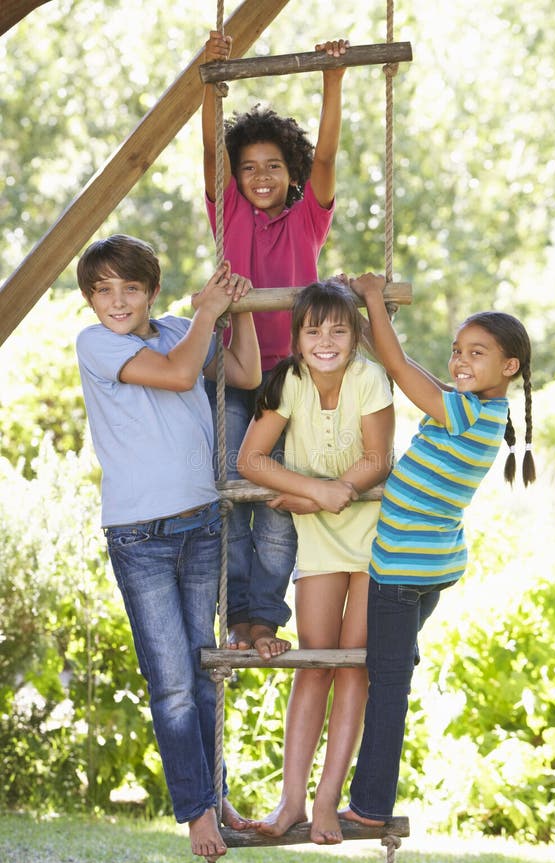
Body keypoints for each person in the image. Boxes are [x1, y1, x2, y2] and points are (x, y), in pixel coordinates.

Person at [75, 234, 261, 860]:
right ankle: (196, 813)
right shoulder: (97, 343)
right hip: (141, 535)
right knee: (173, 681)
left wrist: (238, 312)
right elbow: (180, 374)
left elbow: (245, 374)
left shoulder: (180, 326)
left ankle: (216, 795)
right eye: (104, 290)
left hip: (203, 522)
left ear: (152, 291)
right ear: (90, 299)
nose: (118, 300)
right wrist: (207, 313)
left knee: (205, 676)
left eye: (131, 287)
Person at [336, 273, 536, 828]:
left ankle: (371, 807)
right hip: (430, 566)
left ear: (509, 368)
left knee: (388, 684)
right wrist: (361, 320)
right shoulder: (469, 406)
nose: (460, 361)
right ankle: (401, 655)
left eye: (477, 353)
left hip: (401, 571)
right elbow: (413, 369)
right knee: (393, 667)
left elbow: (400, 372)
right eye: (457, 351)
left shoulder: (472, 413)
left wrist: (374, 298)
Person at [202, 31, 349, 660]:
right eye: (248, 167)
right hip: (238, 376)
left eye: (274, 166)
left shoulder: (309, 217)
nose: (260, 176)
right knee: (235, 494)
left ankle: (264, 617)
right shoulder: (228, 213)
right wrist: (211, 81)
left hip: (292, 381)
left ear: (290, 175)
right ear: (234, 178)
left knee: (281, 505)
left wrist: (332, 81)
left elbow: (326, 161)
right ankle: (238, 618)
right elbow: (209, 148)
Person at [237, 279, 395, 843]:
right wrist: (315, 493)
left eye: (339, 329)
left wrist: (329, 493)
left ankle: (328, 802)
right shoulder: (291, 383)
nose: (326, 339)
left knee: (354, 666)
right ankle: (291, 803)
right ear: (298, 339)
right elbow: (251, 459)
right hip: (322, 539)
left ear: (355, 337)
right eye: (313, 329)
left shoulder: (370, 379)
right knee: (314, 663)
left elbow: (378, 458)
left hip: (379, 536)